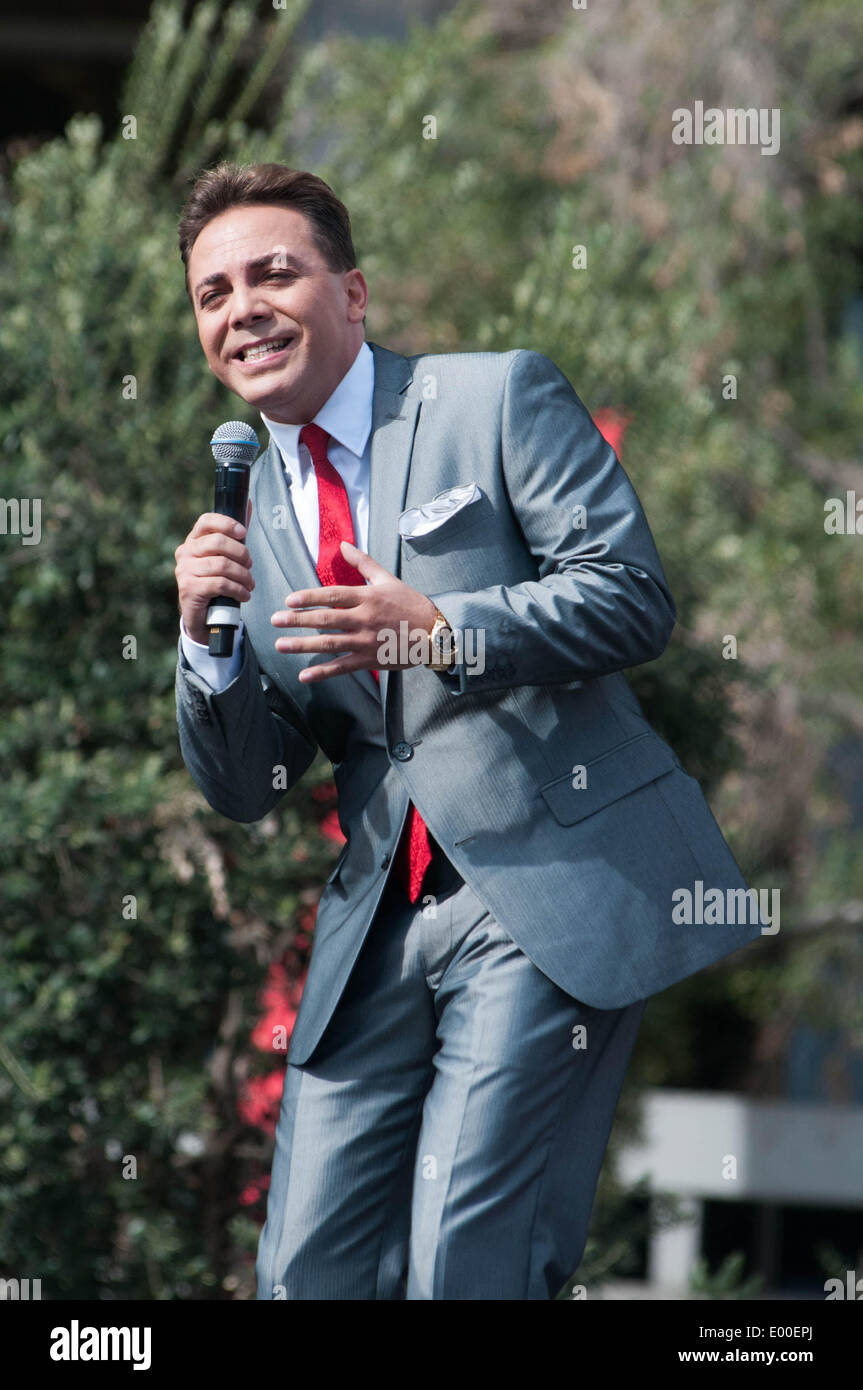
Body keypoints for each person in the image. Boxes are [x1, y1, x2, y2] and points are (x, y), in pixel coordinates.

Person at [173, 161, 762, 1300]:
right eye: (211, 292)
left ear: (352, 294)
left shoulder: (490, 399)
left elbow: (630, 592)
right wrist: (203, 642)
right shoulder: (244, 511)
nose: (240, 307)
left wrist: (441, 627)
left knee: (466, 1261)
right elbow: (251, 782)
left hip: (540, 880)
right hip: (377, 926)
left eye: (272, 273)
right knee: (305, 1272)